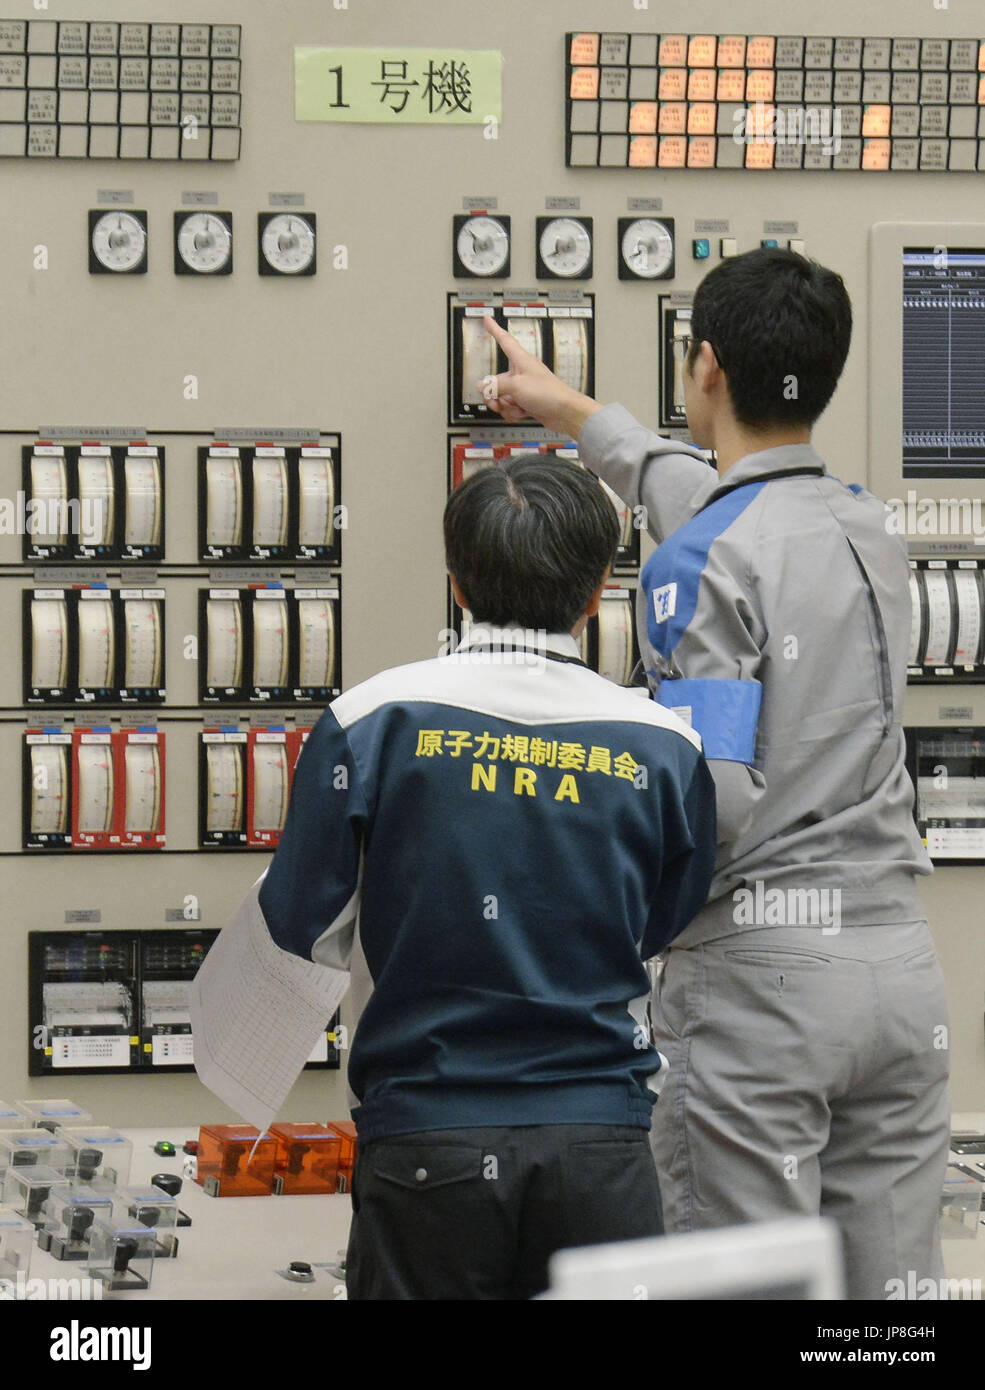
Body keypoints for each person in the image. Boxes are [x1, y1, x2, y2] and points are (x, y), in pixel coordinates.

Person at [480, 247, 951, 1301]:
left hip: (762, 990)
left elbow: (716, 796)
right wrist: (572, 411)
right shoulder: (868, 525)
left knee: (740, 1292)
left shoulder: (698, 562)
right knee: (885, 1312)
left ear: (703, 367)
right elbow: (718, 495)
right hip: (893, 971)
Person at [258, 454, 718, 1300]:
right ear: (595, 595)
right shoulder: (665, 746)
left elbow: (299, 929)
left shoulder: (368, 721)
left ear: (456, 585)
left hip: (427, 1141)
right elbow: (664, 922)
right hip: (600, 1151)